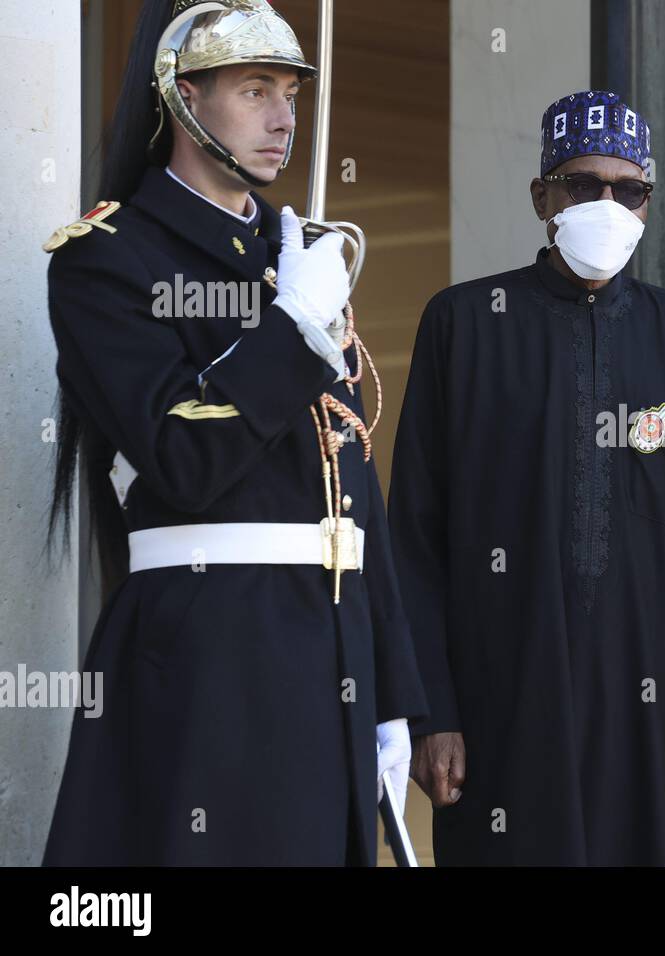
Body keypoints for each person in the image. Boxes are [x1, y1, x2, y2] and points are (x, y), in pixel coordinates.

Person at [42, 0, 426, 865]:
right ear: (183, 99)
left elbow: (353, 484)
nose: (285, 120)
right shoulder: (107, 258)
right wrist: (292, 329)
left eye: (290, 93)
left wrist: (397, 689)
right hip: (211, 647)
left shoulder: (298, 255)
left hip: (333, 651)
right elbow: (182, 454)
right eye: (256, 91)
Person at [388, 90, 665, 865]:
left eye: (630, 191)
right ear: (542, 197)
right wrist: (429, 714)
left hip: (645, 709)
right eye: (584, 185)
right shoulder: (462, 324)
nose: (607, 204)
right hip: (503, 703)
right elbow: (415, 541)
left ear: (649, 203)